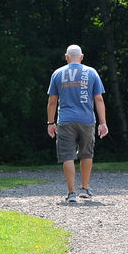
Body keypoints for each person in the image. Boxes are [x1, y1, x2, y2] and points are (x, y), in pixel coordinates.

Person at [46, 44, 109, 203]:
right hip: (87, 120)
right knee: (86, 154)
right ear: (81, 57)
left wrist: (50, 122)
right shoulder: (91, 72)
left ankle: (71, 193)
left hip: (65, 120)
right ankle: (85, 188)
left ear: (66, 57)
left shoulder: (57, 73)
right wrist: (103, 123)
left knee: (67, 155)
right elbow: (99, 99)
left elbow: (52, 101)